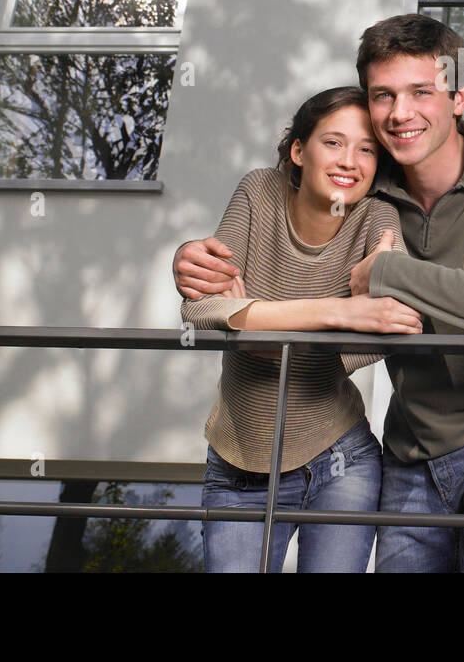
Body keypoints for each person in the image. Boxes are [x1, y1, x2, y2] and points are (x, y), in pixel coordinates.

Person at [176, 13, 464, 573]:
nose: (399, 113)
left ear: (459, 96)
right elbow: (286, 277)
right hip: (410, 451)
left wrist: (387, 275)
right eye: (383, 95)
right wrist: (195, 265)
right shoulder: (365, 180)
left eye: (420, 92)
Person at [179, 85, 424, 573]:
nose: (350, 161)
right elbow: (202, 310)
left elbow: (384, 330)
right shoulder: (258, 192)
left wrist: (254, 315)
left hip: (340, 460)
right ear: (298, 150)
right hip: (237, 467)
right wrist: (342, 312)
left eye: (367, 149)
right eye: (333, 142)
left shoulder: (379, 218)